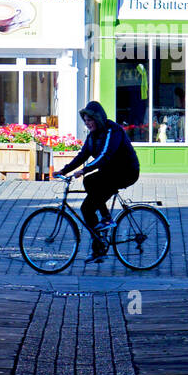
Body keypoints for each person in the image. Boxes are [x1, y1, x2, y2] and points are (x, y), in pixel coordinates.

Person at [57, 100, 141, 260]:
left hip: (126, 172)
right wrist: (64, 170)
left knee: (87, 208)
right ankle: (102, 233)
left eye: (90, 120)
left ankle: (101, 240)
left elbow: (104, 155)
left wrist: (83, 170)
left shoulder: (112, 131)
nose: (88, 123)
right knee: (89, 182)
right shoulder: (92, 136)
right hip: (109, 173)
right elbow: (83, 155)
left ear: (98, 118)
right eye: (86, 121)